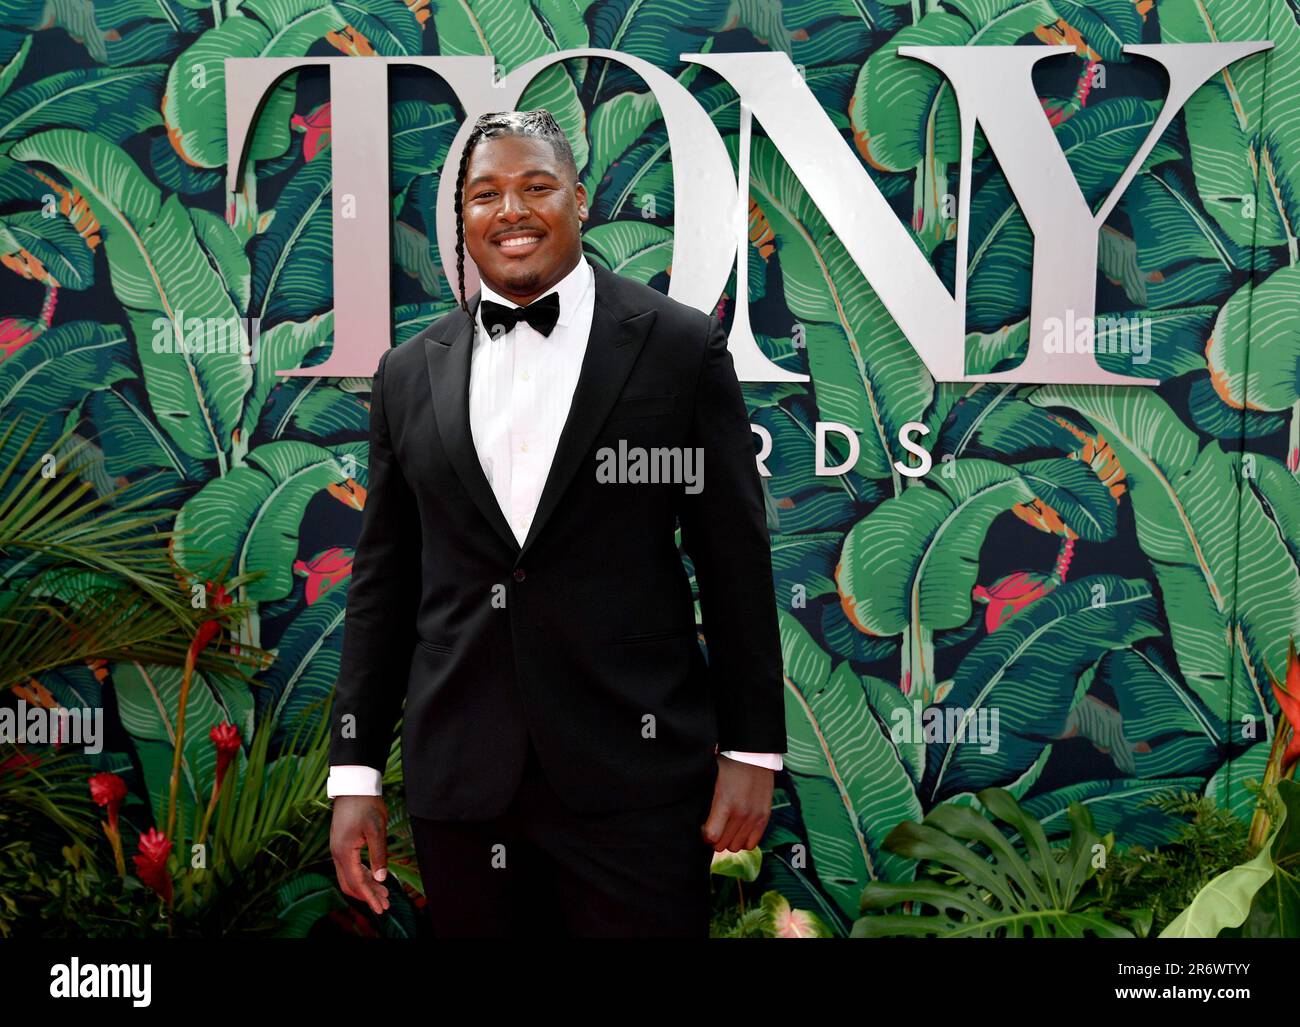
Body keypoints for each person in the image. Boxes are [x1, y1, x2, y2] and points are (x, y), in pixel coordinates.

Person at [327, 109, 786, 937]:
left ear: (579, 200)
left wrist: (752, 753)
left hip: (635, 781)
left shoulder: (678, 348)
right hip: (463, 787)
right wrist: (354, 773)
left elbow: (734, 562)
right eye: (485, 194)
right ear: (461, 220)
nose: (511, 210)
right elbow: (382, 587)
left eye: (536, 187)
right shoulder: (405, 374)